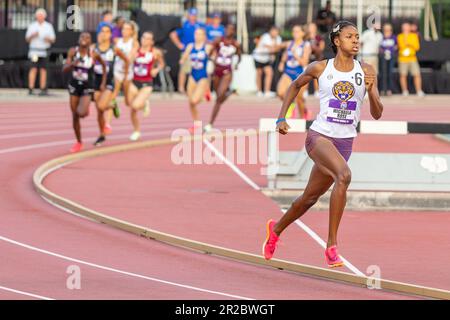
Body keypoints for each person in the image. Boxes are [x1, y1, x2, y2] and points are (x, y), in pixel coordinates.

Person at [263, 21, 383, 268]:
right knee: (344, 175)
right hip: (319, 137)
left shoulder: (367, 70)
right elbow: (295, 86)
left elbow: (378, 113)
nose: (356, 41)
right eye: (350, 37)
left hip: (344, 142)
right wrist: (281, 117)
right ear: (337, 41)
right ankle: (331, 246)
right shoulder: (320, 68)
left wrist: (371, 92)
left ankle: (275, 229)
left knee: (309, 198)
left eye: (358, 37)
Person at [63, 32, 107, 153]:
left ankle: (85, 108)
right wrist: (73, 63)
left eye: (87, 38)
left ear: (90, 41)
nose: (84, 39)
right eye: (82, 37)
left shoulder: (93, 54)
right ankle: (79, 141)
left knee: (81, 113)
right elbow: (65, 69)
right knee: (75, 115)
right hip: (74, 85)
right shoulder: (73, 51)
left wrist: (103, 82)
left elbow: (104, 66)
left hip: (87, 86)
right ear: (79, 39)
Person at [92, 24, 129, 146]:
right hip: (96, 81)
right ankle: (101, 135)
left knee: (102, 106)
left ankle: (112, 105)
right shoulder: (94, 48)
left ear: (110, 34)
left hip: (108, 81)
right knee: (99, 111)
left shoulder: (114, 49)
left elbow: (127, 60)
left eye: (107, 32)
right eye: (102, 31)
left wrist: (125, 74)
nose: (104, 34)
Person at [127, 32, 165, 141]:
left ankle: (144, 103)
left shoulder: (155, 52)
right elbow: (128, 61)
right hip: (134, 82)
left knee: (135, 106)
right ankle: (136, 131)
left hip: (146, 84)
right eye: (144, 37)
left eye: (148, 39)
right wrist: (132, 55)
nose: (145, 40)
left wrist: (156, 70)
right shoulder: (136, 50)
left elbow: (162, 64)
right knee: (131, 107)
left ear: (152, 41)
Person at [204, 24, 241, 132]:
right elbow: (210, 53)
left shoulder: (236, 44)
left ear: (233, 32)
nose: (228, 31)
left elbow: (239, 56)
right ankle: (229, 92)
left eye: (230, 30)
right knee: (218, 97)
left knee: (219, 96)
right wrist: (212, 59)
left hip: (227, 72)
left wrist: (237, 64)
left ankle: (210, 123)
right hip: (217, 71)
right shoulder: (218, 41)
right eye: (227, 29)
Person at [106, 21, 139, 134]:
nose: (124, 31)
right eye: (123, 29)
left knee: (128, 102)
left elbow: (130, 59)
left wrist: (122, 55)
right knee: (112, 97)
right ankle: (108, 124)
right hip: (117, 72)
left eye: (127, 29)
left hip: (127, 74)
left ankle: (142, 100)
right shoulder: (117, 41)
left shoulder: (134, 43)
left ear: (131, 31)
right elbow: (111, 53)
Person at [179, 28, 213, 133]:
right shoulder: (190, 46)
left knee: (194, 100)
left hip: (202, 76)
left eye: (200, 34)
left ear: (204, 36)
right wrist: (183, 60)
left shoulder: (207, 47)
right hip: (192, 76)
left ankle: (205, 93)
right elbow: (184, 58)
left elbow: (214, 57)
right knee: (191, 102)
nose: (197, 36)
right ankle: (197, 124)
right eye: (196, 34)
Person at [277, 25, 312, 119]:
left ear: (303, 33)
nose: (295, 33)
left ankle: (303, 114)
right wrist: (282, 62)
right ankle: (290, 106)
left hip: (301, 73)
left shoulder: (306, 45)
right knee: (280, 93)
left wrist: (295, 54)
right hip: (288, 71)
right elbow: (284, 52)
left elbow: (304, 62)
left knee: (299, 98)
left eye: (297, 31)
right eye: (293, 31)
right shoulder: (290, 43)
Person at [170, 8, 206, 93]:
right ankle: (181, 88)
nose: (193, 17)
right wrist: (179, 45)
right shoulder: (184, 25)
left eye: (194, 15)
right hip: (187, 51)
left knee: (198, 70)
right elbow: (173, 34)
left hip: (198, 50)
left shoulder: (199, 25)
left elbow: (205, 36)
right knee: (184, 70)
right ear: (188, 16)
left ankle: (198, 89)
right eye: (191, 15)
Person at [25, 8, 56, 96]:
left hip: (44, 51)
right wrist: (33, 35)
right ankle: (31, 88)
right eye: (38, 15)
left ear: (44, 17)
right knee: (33, 68)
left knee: (43, 69)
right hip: (34, 51)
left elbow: (53, 39)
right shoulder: (32, 26)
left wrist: (48, 39)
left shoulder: (48, 26)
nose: (40, 17)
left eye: (41, 16)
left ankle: (43, 88)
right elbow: (27, 39)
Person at [252, 26, 282, 98]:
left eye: (276, 31)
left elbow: (277, 49)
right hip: (258, 56)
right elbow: (272, 48)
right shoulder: (265, 36)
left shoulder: (278, 38)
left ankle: (267, 91)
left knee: (269, 73)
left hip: (266, 58)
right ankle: (259, 91)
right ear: (270, 31)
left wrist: (275, 46)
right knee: (259, 73)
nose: (274, 33)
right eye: (273, 31)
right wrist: (275, 47)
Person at [397, 22, 425, 97]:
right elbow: (401, 45)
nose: (405, 29)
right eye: (404, 28)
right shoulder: (400, 36)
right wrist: (407, 41)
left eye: (406, 27)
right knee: (403, 75)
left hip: (412, 58)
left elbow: (417, 47)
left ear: (409, 28)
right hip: (402, 58)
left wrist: (408, 43)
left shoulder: (414, 36)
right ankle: (405, 91)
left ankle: (419, 90)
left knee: (417, 74)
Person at [307, 22, 325, 97]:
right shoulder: (306, 37)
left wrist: (315, 48)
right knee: (306, 75)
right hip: (307, 59)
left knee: (316, 75)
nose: (311, 29)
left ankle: (317, 91)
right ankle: (305, 91)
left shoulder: (318, 37)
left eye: (312, 27)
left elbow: (321, 47)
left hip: (316, 59)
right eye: (310, 27)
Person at [379, 23, 397, 96]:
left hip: (391, 56)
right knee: (383, 73)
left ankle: (389, 90)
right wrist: (383, 51)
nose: (387, 30)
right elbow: (379, 47)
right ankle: (383, 89)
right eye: (386, 29)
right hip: (383, 57)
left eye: (388, 28)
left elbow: (396, 46)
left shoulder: (393, 37)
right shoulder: (381, 37)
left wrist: (392, 51)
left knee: (390, 73)